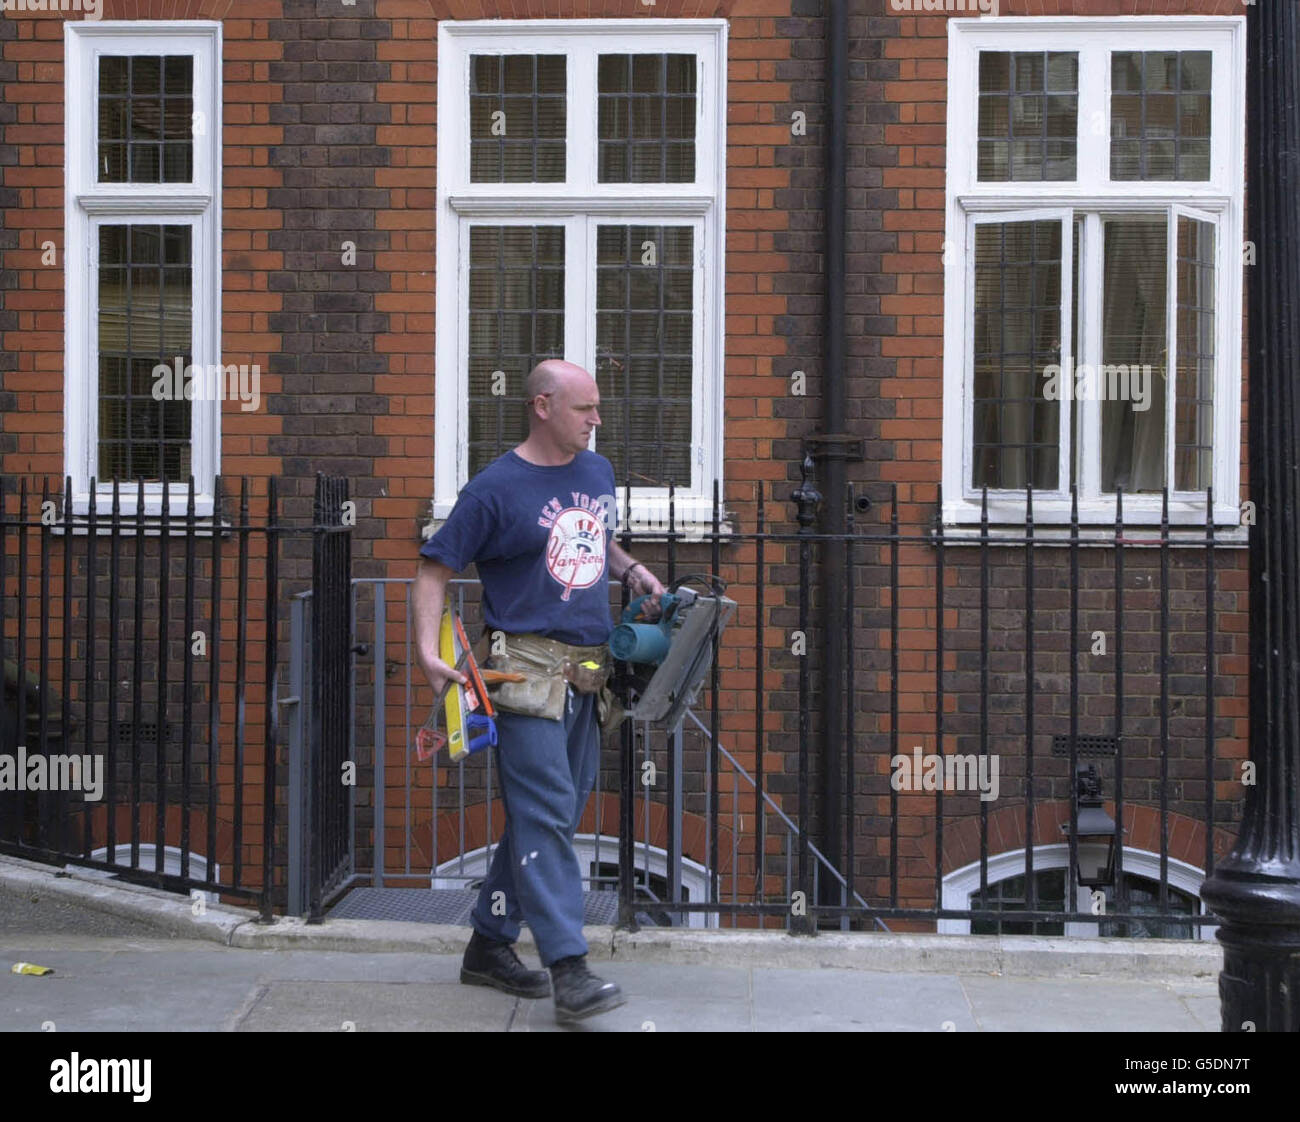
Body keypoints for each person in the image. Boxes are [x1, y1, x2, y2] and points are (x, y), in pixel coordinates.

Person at [413, 359, 665, 1024]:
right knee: (550, 807)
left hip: (587, 674)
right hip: (519, 675)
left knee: (556, 809)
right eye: (586, 409)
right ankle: (569, 967)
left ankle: (489, 943)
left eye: (599, 408)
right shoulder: (495, 489)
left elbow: (595, 536)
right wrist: (425, 654)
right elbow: (433, 570)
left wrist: (631, 568)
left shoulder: (595, 471)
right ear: (544, 406)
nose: (597, 421)